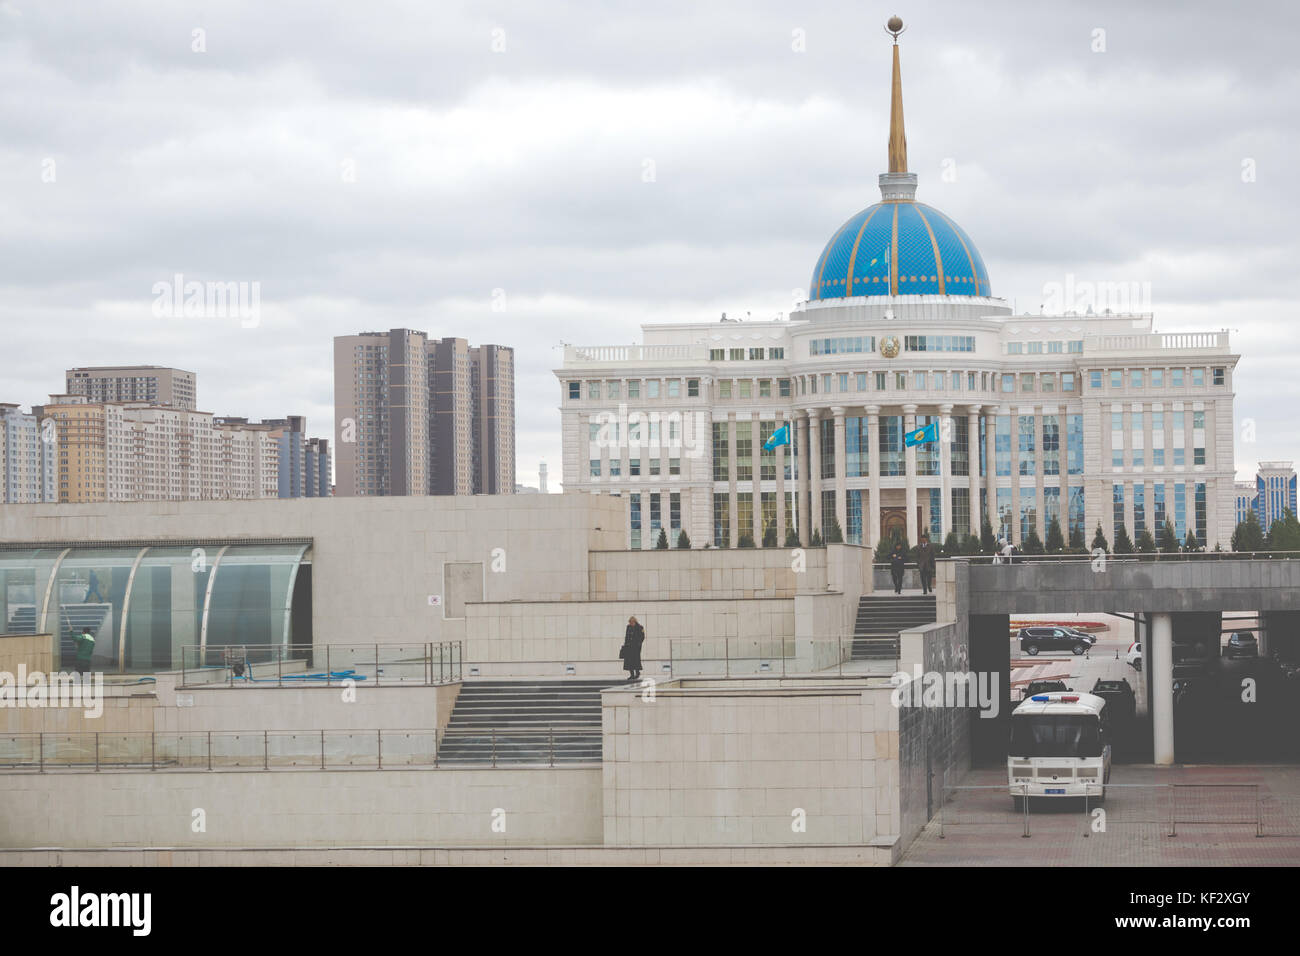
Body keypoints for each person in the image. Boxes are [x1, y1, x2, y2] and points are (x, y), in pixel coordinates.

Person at [621, 616, 645, 681]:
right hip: (629, 647)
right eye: (630, 622)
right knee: (629, 661)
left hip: (636, 647)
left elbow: (642, 637)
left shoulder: (640, 627)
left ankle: (637, 673)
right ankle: (631, 675)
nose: (631, 624)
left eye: (632, 622)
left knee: (636, 660)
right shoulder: (628, 627)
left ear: (634, 622)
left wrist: (638, 644)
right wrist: (625, 644)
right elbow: (626, 636)